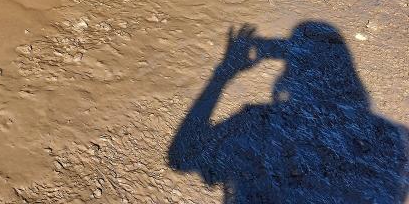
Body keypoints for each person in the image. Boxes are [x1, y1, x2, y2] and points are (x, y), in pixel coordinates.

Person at [168, 22, 409, 203]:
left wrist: (223, 74)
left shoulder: (258, 124)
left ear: (289, 75)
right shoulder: (394, 139)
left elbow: (181, 156)